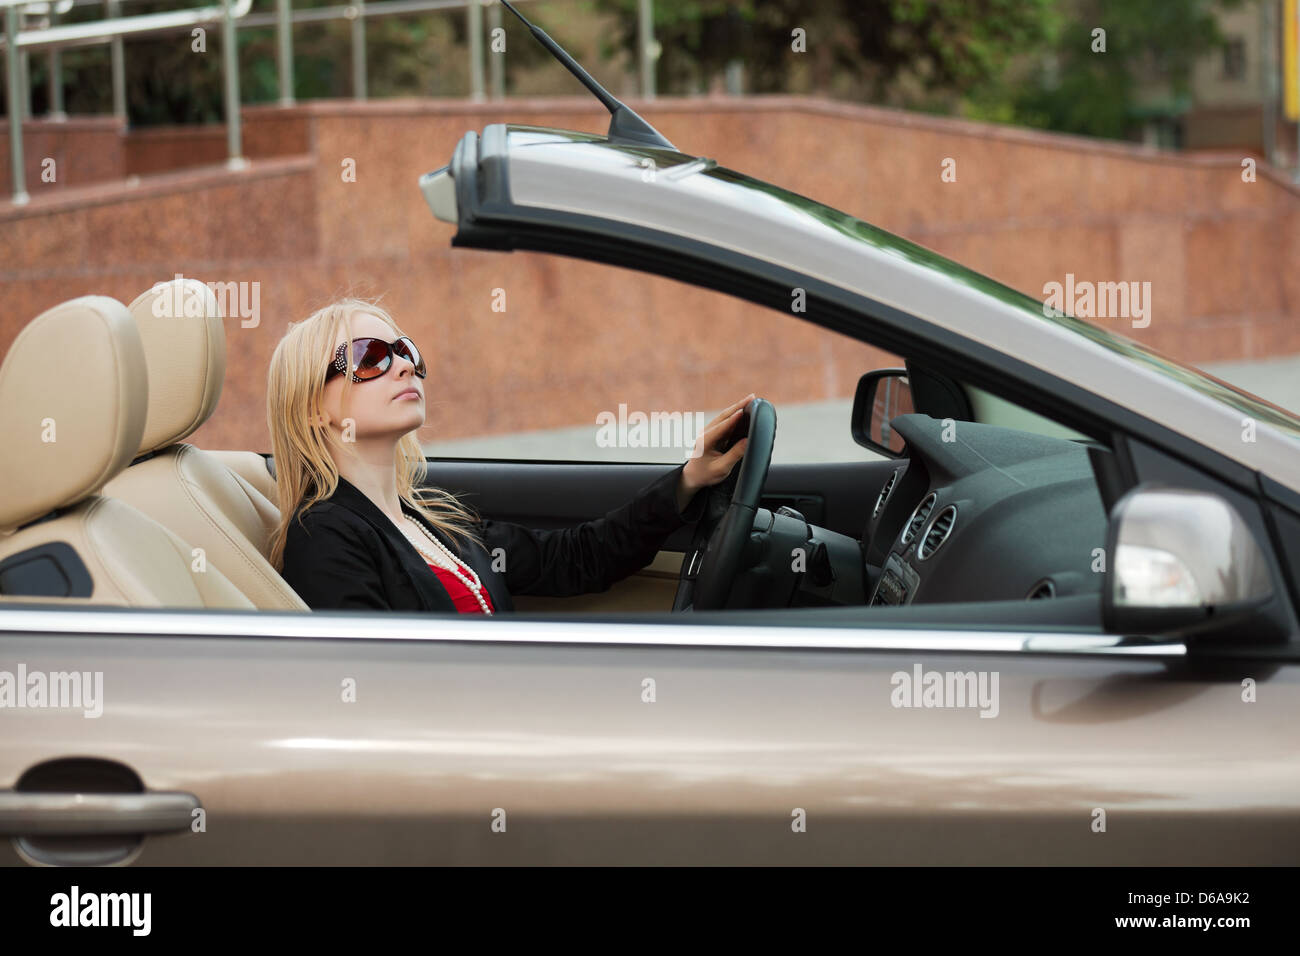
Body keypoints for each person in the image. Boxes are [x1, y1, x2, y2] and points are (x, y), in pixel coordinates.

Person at [265, 298, 753, 613]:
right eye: (369, 357)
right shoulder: (323, 536)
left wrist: (689, 478)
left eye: (406, 350)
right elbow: (373, 690)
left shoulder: (434, 519)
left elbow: (576, 557)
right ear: (312, 410)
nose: (403, 367)